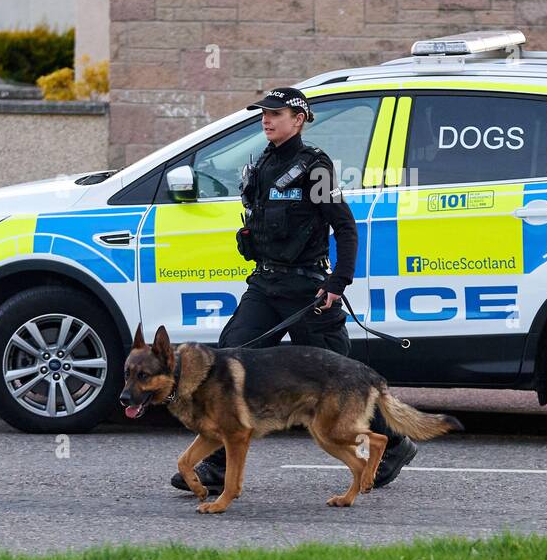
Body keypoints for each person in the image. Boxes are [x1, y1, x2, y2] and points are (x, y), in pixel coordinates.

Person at [169, 87, 418, 494]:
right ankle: (215, 462)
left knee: (338, 374)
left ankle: (395, 445)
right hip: (266, 285)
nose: (266, 120)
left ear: (298, 119)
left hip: (308, 290)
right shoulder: (261, 165)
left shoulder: (314, 168)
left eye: (276, 114)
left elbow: (345, 227)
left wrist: (338, 282)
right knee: (228, 356)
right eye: (263, 114)